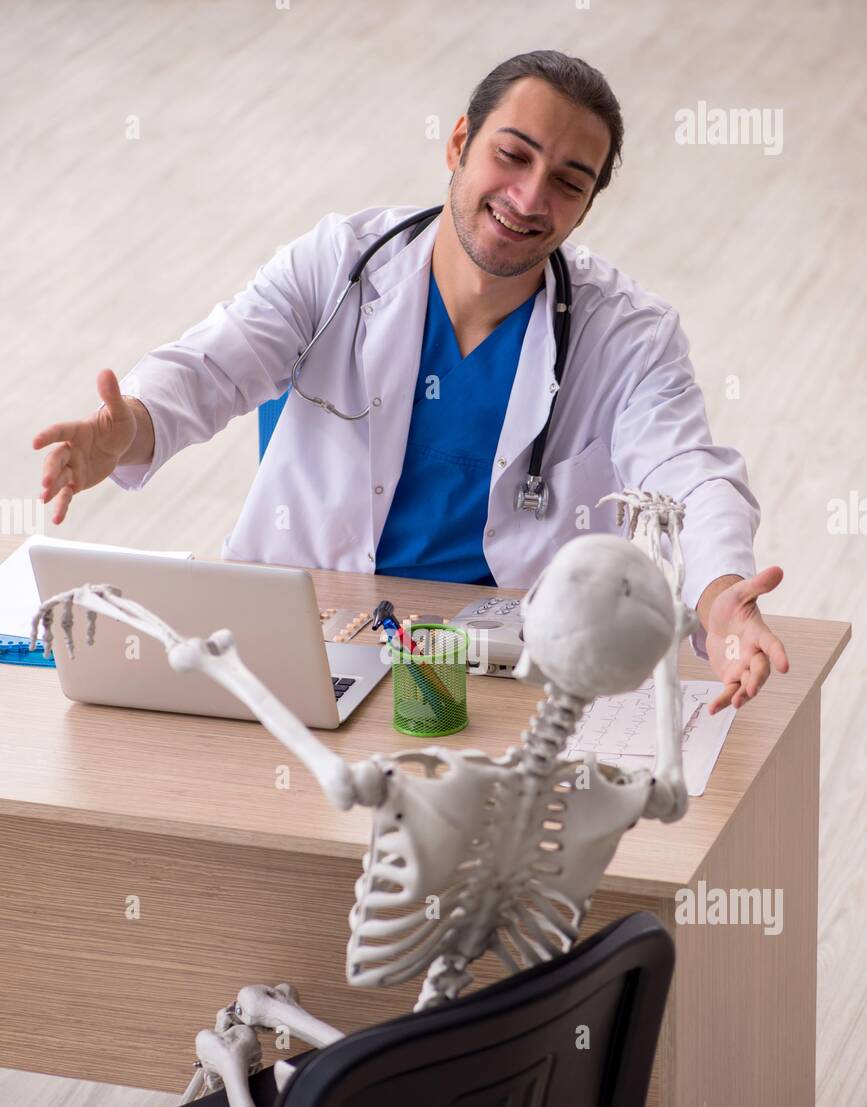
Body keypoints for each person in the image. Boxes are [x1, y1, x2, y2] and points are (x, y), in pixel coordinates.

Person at [33, 49, 788, 714]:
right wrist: (131, 426)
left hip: (506, 666)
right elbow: (213, 366)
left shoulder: (624, 332)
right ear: (459, 141)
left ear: (588, 204)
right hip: (310, 630)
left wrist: (722, 596)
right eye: (512, 155)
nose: (528, 198)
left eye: (567, 180)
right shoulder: (337, 265)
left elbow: (685, 471)